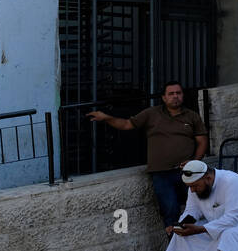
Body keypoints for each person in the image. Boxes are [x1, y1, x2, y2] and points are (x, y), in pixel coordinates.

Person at [87, 81, 208, 231]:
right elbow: (126, 124)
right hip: (161, 173)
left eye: (178, 93)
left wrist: (194, 164)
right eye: (171, 94)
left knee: (199, 208)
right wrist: (106, 117)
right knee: (170, 210)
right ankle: (175, 246)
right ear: (164, 97)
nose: (175, 96)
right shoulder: (151, 114)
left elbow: (202, 141)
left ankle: (199, 244)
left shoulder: (192, 116)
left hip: (187, 172)